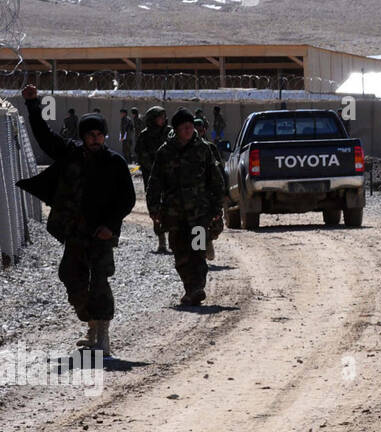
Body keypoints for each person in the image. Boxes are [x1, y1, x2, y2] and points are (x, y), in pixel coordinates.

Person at [17, 85, 135, 355]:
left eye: (99, 134)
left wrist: (111, 226)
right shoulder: (71, 154)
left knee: (100, 280)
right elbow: (44, 137)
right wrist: (33, 104)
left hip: (101, 233)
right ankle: (91, 323)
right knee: (71, 276)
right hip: (75, 231)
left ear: (104, 136)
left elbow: (126, 199)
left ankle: (103, 336)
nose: (95, 139)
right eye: (90, 135)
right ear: (83, 137)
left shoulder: (115, 163)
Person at [147, 109, 225, 307]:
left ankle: (197, 287)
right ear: (177, 129)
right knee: (180, 251)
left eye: (191, 126)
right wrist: (154, 208)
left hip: (199, 213)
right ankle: (189, 288)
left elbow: (215, 180)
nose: (189, 130)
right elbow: (155, 182)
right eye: (184, 127)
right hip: (174, 214)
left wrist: (217, 207)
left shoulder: (203, 149)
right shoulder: (165, 152)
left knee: (198, 251)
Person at [134, 106, 170, 254]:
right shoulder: (144, 136)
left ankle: (175, 239)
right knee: (155, 208)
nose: (162, 119)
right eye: (159, 117)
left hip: (169, 177)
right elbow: (141, 155)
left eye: (163, 116)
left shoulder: (169, 133)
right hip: (152, 178)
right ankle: (161, 240)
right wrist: (155, 169)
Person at [193, 116, 228, 262]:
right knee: (197, 226)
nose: (198, 132)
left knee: (216, 226)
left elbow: (219, 169)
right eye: (196, 130)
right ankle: (199, 256)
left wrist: (223, 191)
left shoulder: (209, 147)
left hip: (209, 193)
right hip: (193, 195)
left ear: (204, 130)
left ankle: (207, 241)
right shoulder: (184, 149)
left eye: (200, 130)